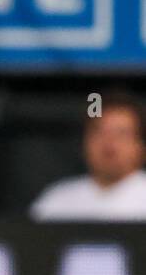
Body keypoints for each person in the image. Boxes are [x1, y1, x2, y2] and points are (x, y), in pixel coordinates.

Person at [30, 92, 146, 221]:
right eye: (99, 132)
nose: (109, 143)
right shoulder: (57, 200)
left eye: (121, 133)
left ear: (140, 145)